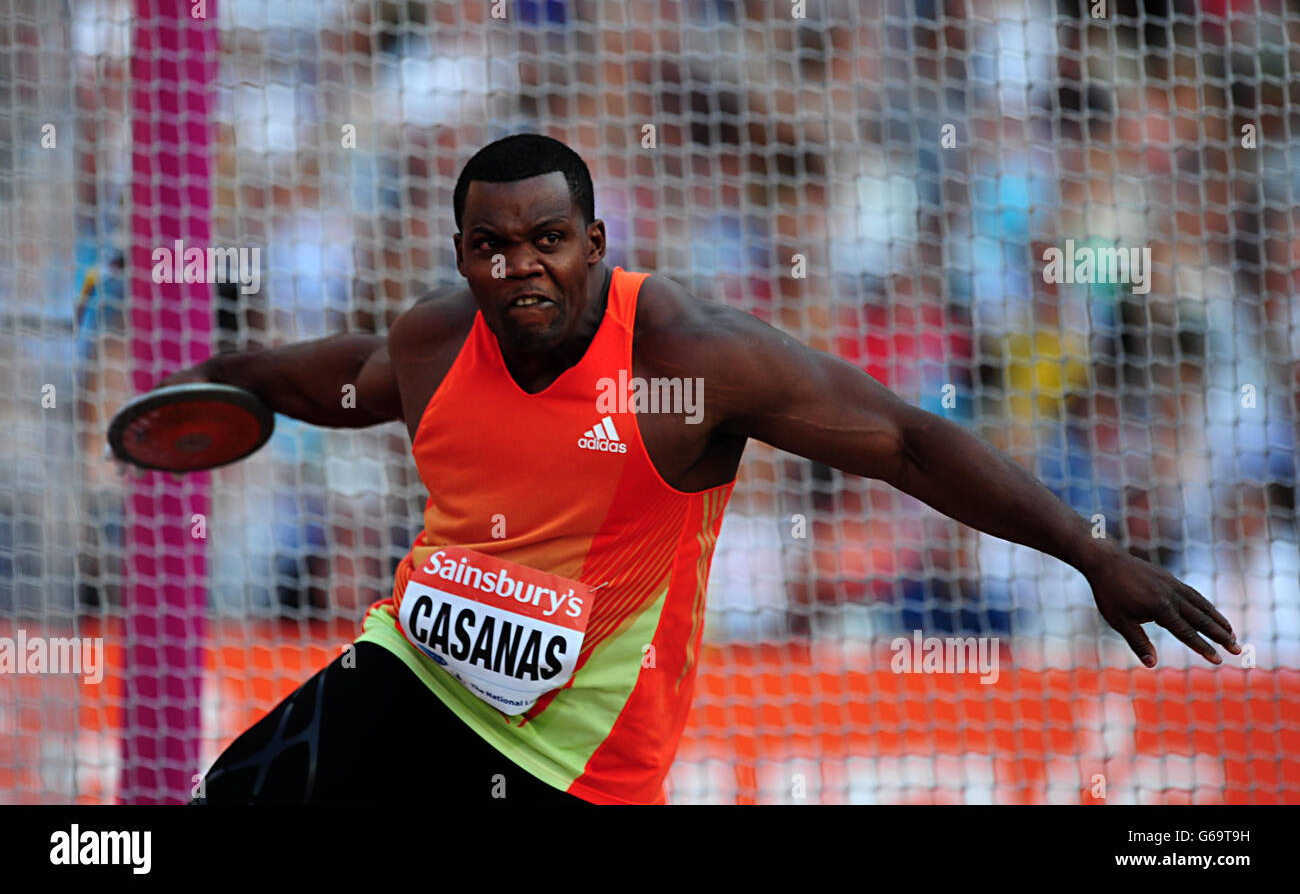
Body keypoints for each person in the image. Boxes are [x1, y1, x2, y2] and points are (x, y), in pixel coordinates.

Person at [173, 134, 1238, 805]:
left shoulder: (686, 354)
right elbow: (345, 379)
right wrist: (228, 378)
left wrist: (1088, 553)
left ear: (593, 239)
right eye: (492, 246)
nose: (521, 265)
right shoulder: (436, 339)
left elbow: (908, 441)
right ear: (463, 256)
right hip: (411, 672)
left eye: (548, 237)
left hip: (577, 761)